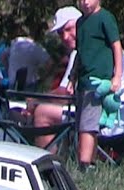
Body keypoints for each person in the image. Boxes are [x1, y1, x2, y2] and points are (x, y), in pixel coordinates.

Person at [73, 0, 124, 169]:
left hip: (98, 82)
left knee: (87, 126)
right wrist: (72, 76)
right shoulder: (80, 22)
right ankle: (91, 163)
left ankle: (84, 165)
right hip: (83, 80)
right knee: (84, 122)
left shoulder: (105, 18)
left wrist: (117, 76)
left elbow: (116, 47)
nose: (85, 2)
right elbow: (79, 52)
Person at [27, 6, 83, 151]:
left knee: (43, 112)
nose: (65, 36)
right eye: (60, 32)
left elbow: (65, 94)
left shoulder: (82, 52)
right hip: (123, 113)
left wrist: (36, 100)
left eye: (69, 29)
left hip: (112, 117)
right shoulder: (83, 50)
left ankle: (47, 163)